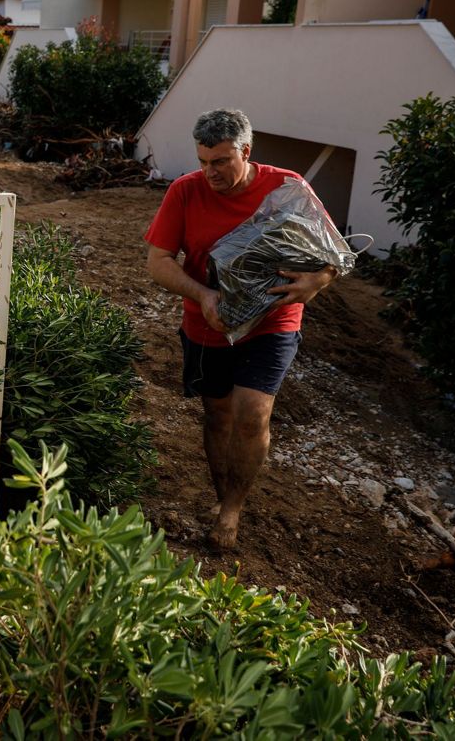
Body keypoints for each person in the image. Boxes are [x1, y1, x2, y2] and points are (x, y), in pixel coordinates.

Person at [144, 109, 337, 549]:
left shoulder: (287, 187)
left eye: (221, 162)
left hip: (273, 322)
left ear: (246, 152)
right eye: (203, 161)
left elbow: (333, 254)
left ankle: (231, 510)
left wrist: (316, 282)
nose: (209, 172)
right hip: (208, 322)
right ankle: (221, 497)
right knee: (218, 415)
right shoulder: (184, 191)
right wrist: (203, 295)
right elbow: (157, 262)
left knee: (252, 414)